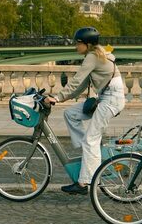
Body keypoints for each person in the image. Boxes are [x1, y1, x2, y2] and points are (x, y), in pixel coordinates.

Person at [47, 27, 125, 195]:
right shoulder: (97, 55)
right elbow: (80, 86)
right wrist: (59, 98)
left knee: (91, 139)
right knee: (70, 114)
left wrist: (57, 97)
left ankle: (85, 183)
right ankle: (90, 153)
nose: (76, 46)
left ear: (87, 45)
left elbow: (75, 82)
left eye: (78, 43)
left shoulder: (92, 56)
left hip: (111, 99)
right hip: (106, 97)